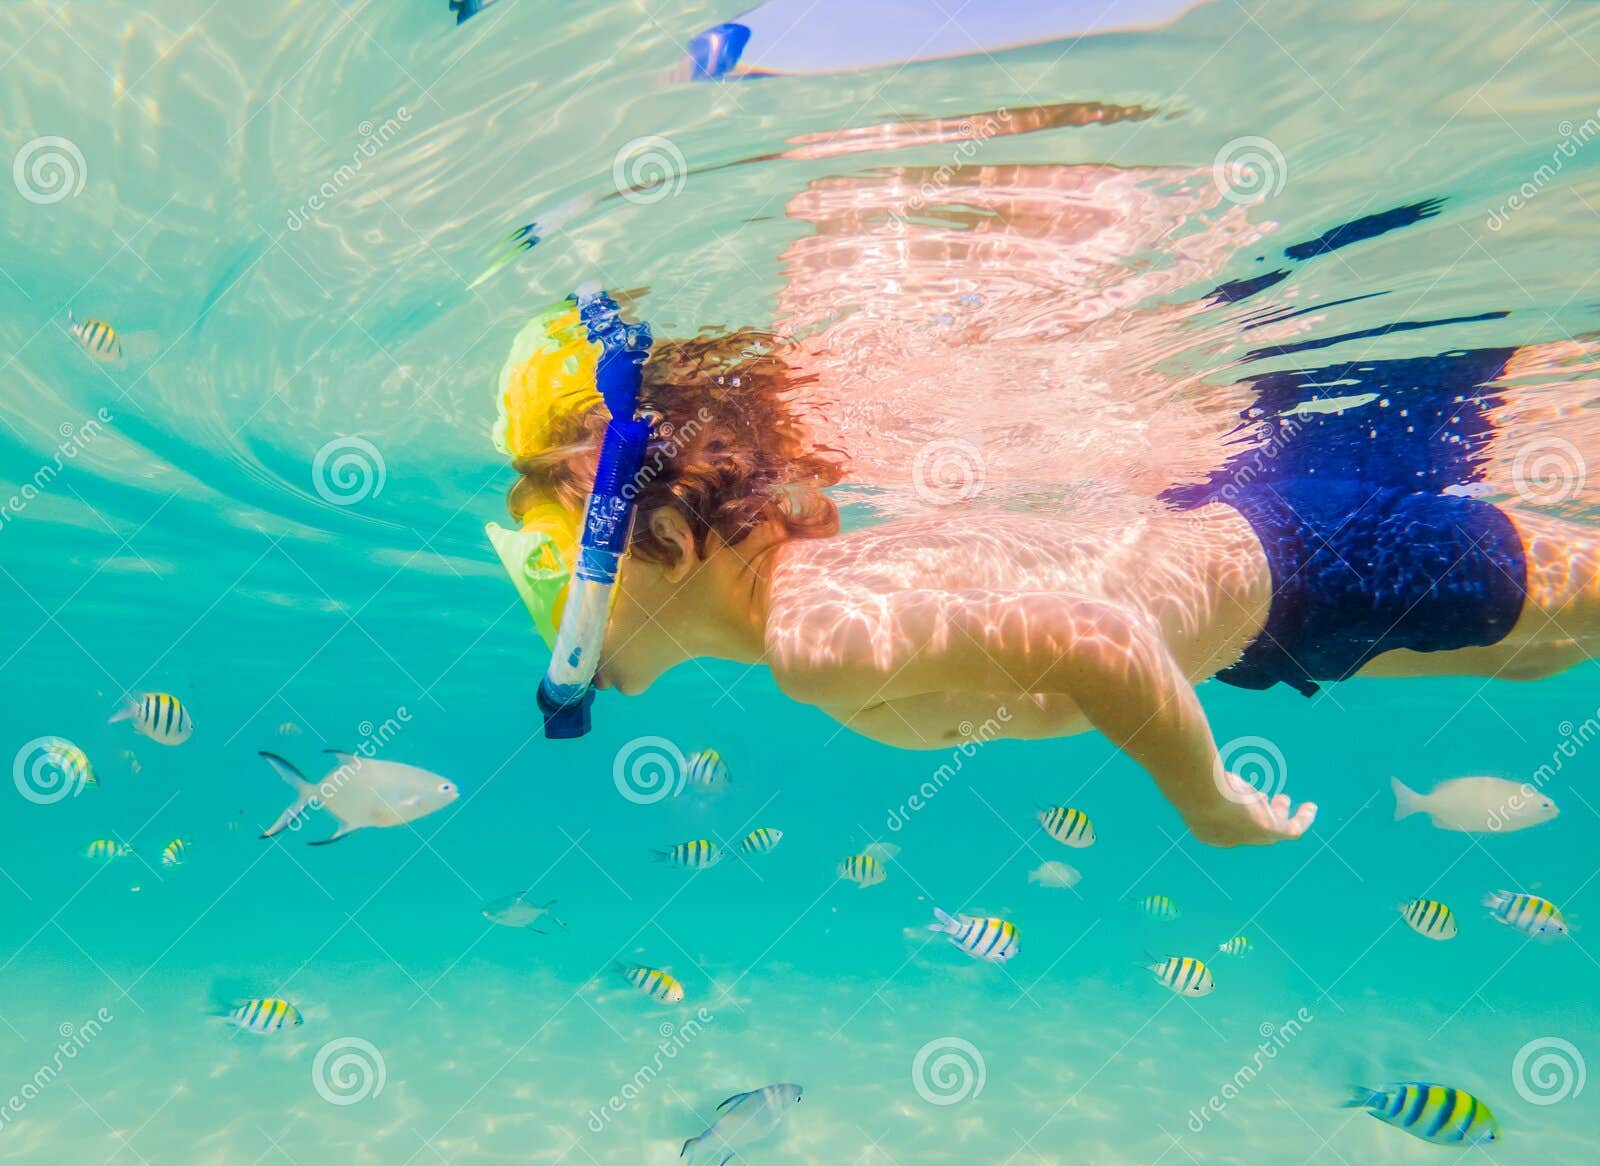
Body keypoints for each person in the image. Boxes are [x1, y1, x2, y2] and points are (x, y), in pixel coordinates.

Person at [494, 297, 1600, 848]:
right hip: (1258, 632)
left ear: (672, 542)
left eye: (553, 564)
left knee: (1576, 606)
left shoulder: (816, 633)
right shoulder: (818, 607)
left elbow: (1099, 640)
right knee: (1533, 663)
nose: (544, 603)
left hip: (1307, 565)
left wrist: (1202, 798)